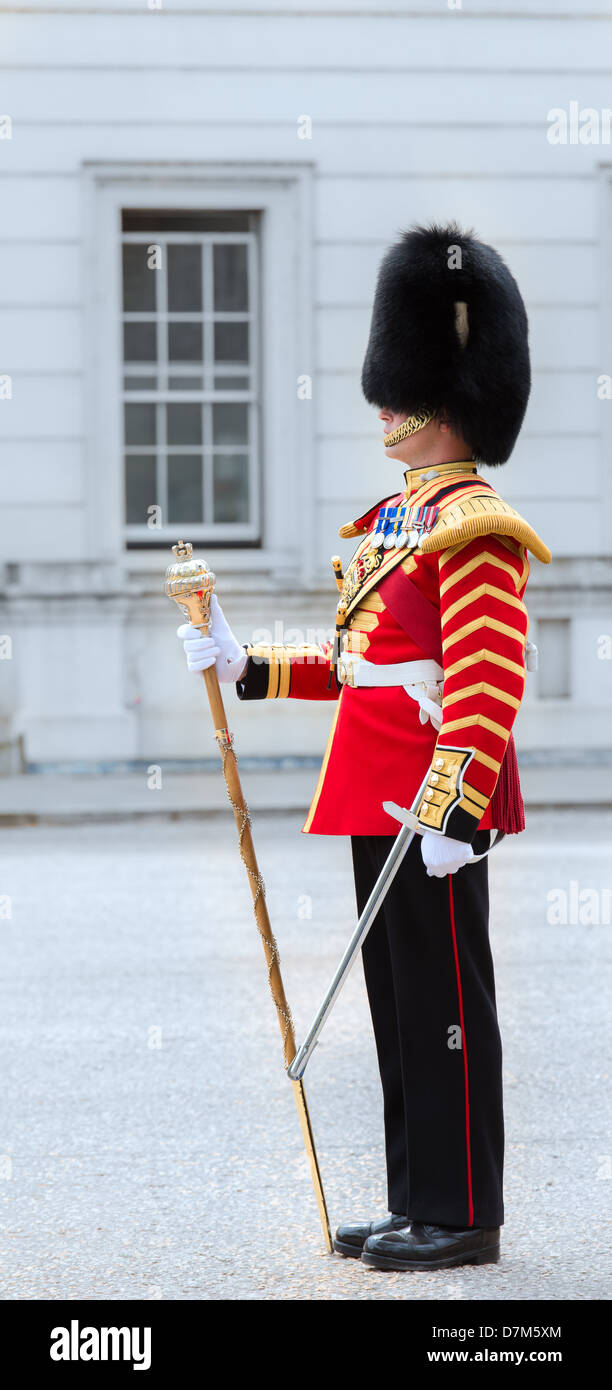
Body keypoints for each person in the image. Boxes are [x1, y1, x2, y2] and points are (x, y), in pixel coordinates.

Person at [178, 224, 551, 1272]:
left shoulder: (474, 523)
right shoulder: (396, 519)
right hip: (375, 790)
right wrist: (248, 662)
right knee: (401, 1011)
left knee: (447, 1011)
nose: (383, 403)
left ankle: (464, 1209)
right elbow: (360, 661)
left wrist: (460, 804)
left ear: (452, 393)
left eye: (402, 386)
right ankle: (415, 1197)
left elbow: (487, 677)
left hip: (430, 803)